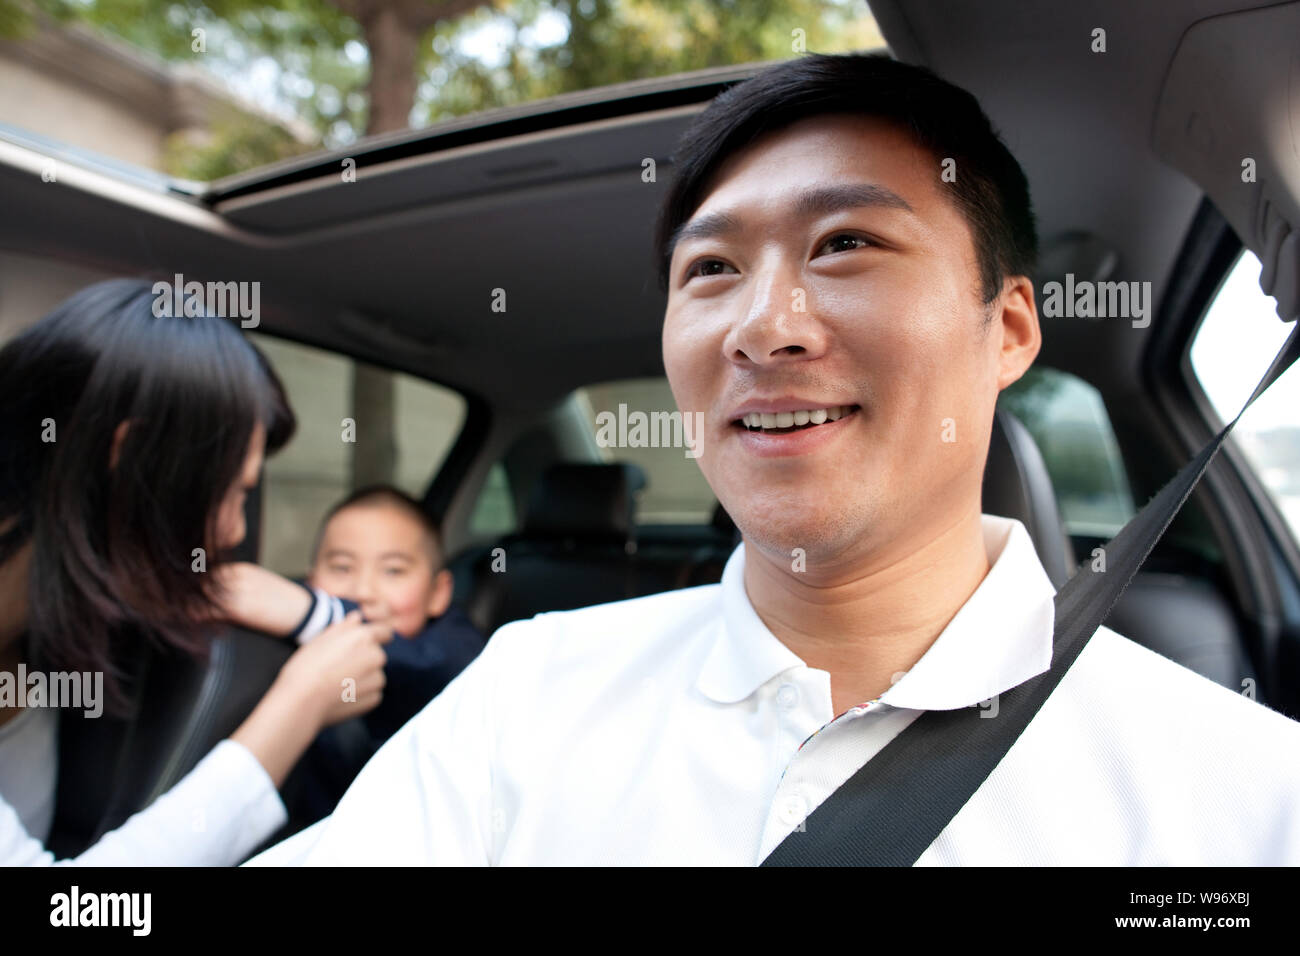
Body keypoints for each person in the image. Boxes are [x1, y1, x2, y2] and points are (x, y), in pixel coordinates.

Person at [247, 53, 1300, 866]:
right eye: (710, 267)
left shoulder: (1243, 792)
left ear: (1010, 329)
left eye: (845, 243)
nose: (762, 326)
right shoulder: (524, 695)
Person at [0, 278, 392, 866]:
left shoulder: (70, 606)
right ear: (131, 459)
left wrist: (316, 615)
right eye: (231, 494)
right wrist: (299, 706)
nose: (235, 531)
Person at [229, 485, 485, 828]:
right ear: (311, 580)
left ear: (438, 593)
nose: (363, 591)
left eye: (393, 571)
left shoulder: (455, 647)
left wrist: (318, 613)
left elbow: (443, 663)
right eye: (341, 567)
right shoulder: (282, 654)